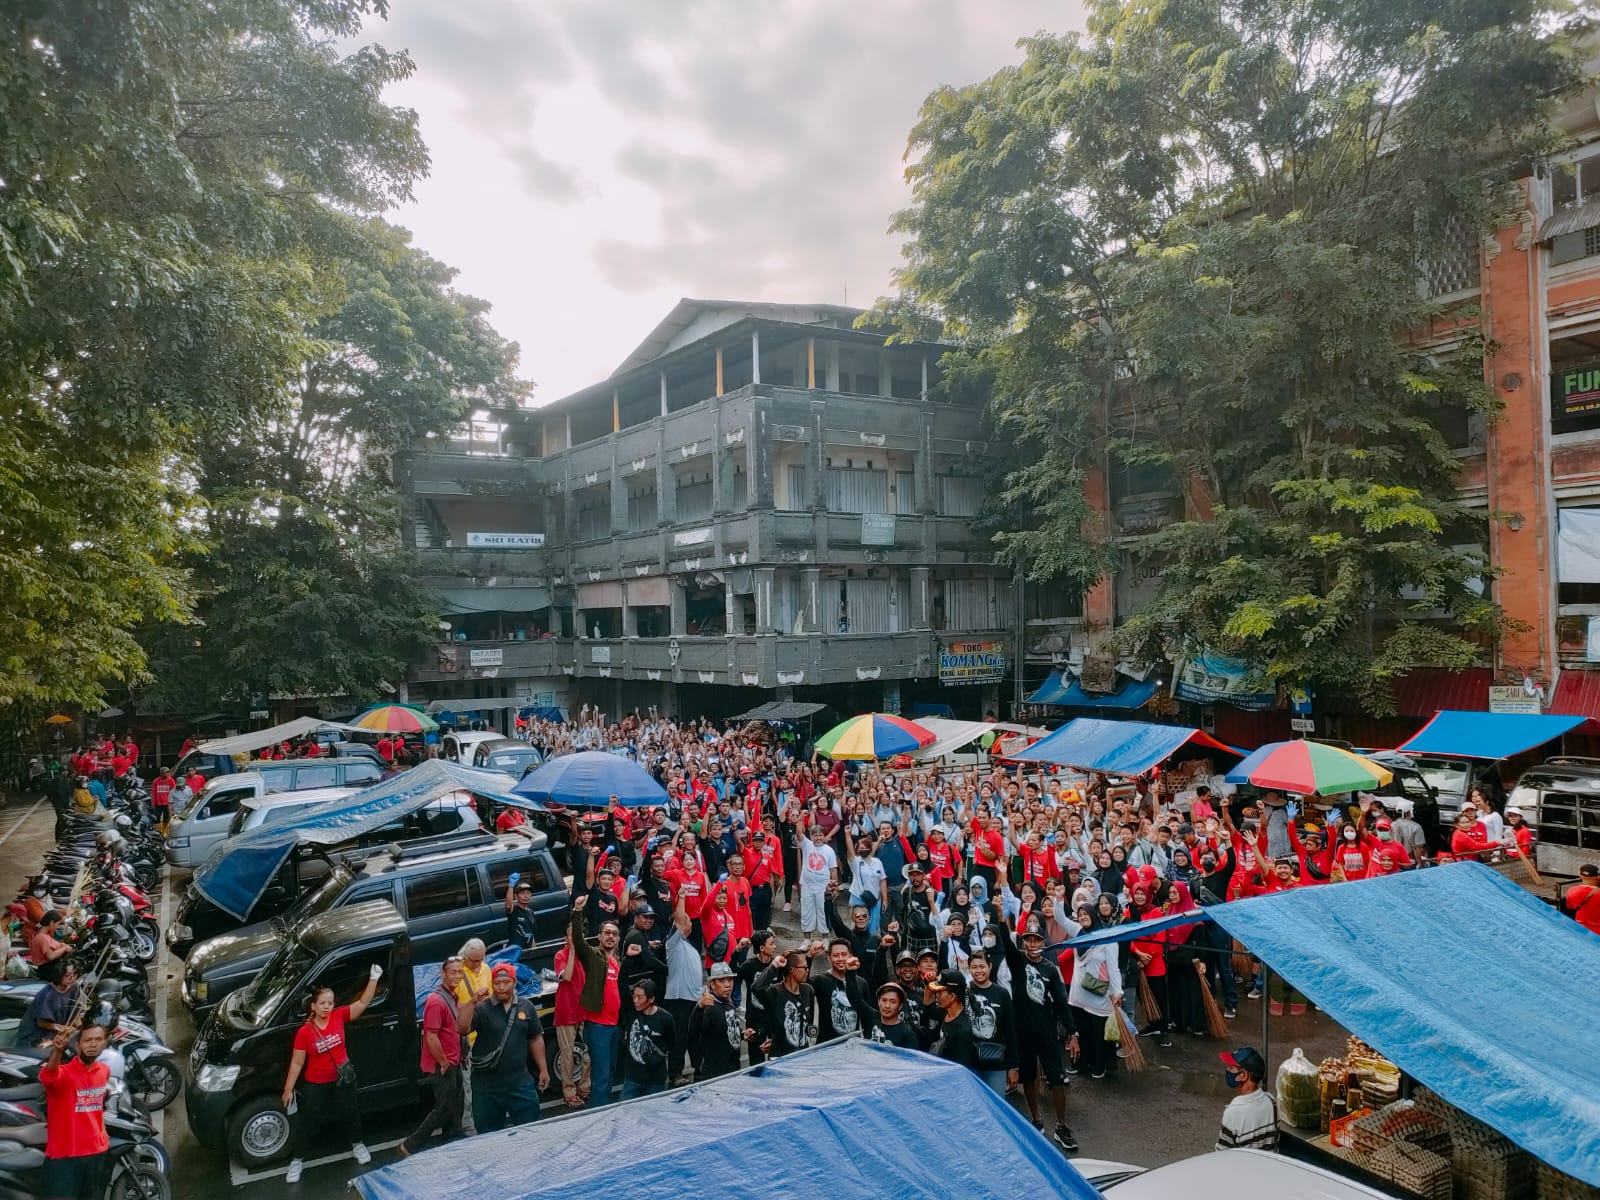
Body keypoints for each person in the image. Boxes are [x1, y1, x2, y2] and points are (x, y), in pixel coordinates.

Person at [280, 966, 381, 1182]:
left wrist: (373, 978)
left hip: (343, 1078)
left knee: (351, 1112)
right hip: (315, 1082)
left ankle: (358, 1145)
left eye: (330, 1003)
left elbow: (363, 1003)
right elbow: (297, 1062)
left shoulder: (339, 1016)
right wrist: (288, 1088)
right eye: (323, 1003)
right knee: (309, 1121)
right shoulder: (304, 1032)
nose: (327, 1007)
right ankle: (297, 1161)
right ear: (313, 1006)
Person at [996, 916, 1079, 1152]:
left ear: (1043, 942)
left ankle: (1062, 1126)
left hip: (1046, 1032)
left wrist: (1072, 1032)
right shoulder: (1017, 962)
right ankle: (1036, 1119)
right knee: (1029, 1077)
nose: (1032, 945)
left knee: (1056, 1078)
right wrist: (1002, 918)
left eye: (1036, 941)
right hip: (1023, 1033)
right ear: (1024, 943)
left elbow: (1062, 1003)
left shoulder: (1050, 970)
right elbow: (1005, 941)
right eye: (1028, 941)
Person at [398, 956, 473, 1158]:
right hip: (443, 1064)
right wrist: (443, 1062)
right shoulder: (436, 1001)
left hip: (453, 1060)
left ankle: (453, 1136)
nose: (457, 976)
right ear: (443, 974)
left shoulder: (451, 997)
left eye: (460, 972)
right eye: (453, 972)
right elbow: (430, 1036)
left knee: (456, 1103)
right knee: (444, 1107)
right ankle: (410, 1145)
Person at [468, 963, 550, 1134]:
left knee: (531, 1133)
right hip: (486, 1089)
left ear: (514, 982)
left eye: (506, 982)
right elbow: (461, 1028)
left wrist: (543, 1069)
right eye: (497, 983)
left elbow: (535, 1037)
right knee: (488, 1138)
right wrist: (471, 1003)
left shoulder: (526, 1007)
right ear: (492, 984)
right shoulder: (482, 1009)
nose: (502, 987)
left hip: (519, 1084)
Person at [39, 1017, 111, 1200]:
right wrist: (57, 1051)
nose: (93, 1044)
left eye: (98, 1039)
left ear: (105, 1043)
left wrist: (103, 1133)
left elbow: (98, 1107)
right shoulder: (64, 1074)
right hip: (65, 1158)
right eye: (87, 1040)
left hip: (96, 1154)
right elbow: (48, 1076)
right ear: (78, 1045)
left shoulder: (104, 1071)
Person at [568, 895, 623, 1107]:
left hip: (614, 1026)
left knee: (609, 1074)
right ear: (599, 937)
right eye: (607, 933)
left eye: (614, 934)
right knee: (600, 1079)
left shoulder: (617, 961)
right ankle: (598, 1118)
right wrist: (578, 911)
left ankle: (605, 1111)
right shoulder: (594, 956)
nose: (610, 937)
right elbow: (579, 942)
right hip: (598, 1027)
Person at [1066, 917, 1124, 1080]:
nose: (1084, 916)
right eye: (1080, 913)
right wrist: (1057, 899)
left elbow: (1114, 969)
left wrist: (1118, 991)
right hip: (1079, 995)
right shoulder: (1079, 934)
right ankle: (1081, 1063)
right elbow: (1061, 919)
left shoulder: (1108, 940)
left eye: (1087, 913)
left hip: (1100, 996)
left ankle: (1101, 1066)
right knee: (1081, 1031)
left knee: (1100, 1033)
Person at [552, 928, 591, 1108]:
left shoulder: (586, 953)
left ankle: (584, 1087)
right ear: (565, 938)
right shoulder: (560, 955)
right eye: (572, 935)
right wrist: (572, 951)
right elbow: (566, 976)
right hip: (566, 1010)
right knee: (567, 1055)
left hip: (584, 1009)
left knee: (589, 1052)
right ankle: (569, 1092)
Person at [687, 962, 744, 1079]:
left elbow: (727, 1030)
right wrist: (699, 1008)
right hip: (716, 1074)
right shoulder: (710, 1007)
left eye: (730, 980)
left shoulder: (729, 1002)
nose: (728, 985)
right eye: (722, 981)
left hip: (733, 1069)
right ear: (713, 984)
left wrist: (743, 1034)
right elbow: (693, 1031)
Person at [620, 979, 674, 1099]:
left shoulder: (666, 1018)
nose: (635, 1001)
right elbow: (621, 982)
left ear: (651, 999)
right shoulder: (631, 1012)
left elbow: (671, 1045)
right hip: (632, 1078)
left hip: (656, 1080)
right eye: (634, 996)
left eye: (640, 997)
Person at [1216, 1047, 1278, 1150]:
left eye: (1231, 1067)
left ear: (1244, 1075)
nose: (1227, 1070)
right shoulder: (1272, 1101)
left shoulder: (1233, 1112)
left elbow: (1222, 1153)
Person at [18, 959, 80, 1047]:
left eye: (75, 975)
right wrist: (60, 1027)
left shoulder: (74, 987)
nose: (72, 978)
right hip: (37, 1035)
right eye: (67, 975)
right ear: (59, 975)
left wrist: (81, 1028)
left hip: (59, 1033)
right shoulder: (46, 995)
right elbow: (41, 1022)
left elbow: (75, 1012)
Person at [927, 969, 979, 1069]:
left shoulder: (962, 1030)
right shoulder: (945, 1013)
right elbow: (928, 1005)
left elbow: (963, 1069)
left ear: (952, 996)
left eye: (940, 992)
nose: (936, 995)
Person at [798, 825, 839, 940]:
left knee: (824, 913)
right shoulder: (806, 845)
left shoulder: (829, 850)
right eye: (815, 835)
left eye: (820, 835)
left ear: (824, 836)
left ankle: (825, 939)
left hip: (823, 888)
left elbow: (833, 869)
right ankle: (807, 940)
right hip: (807, 886)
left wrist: (835, 887)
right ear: (811, 836)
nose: (818, 838)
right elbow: (798, 833)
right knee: (806, 913)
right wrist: (800, 818)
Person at [865, 981, 920, 1049]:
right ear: (878, 1002)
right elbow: (856, 999)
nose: (887, 1006)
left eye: (893, 1002)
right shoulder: (871, 1019)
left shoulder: (908, 1034)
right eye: (884, 1000)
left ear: (900, 1006)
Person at [1564, 864, 1600, 936]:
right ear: (1598, 877)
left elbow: (1570, 907)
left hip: (1580, 931)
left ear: (1580, 876)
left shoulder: (1571, 890)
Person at [504, 875, 537, 954]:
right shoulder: (514, 910)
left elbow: (531, 934)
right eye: (522, 893)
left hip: (527, 952)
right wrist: (511, 886)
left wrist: (535, 950)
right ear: (516, 896)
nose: (526, 896)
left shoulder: (530, 912)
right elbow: (508, 905)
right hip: (514, 953)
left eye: (528, 893)